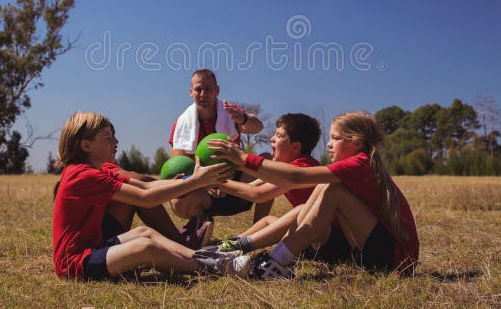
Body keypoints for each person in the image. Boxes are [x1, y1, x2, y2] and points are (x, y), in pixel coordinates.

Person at [209, 111, 419, 279]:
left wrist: (244, 159)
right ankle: (258, 255)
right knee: (315, 193)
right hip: (375, 252)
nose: (328, 144)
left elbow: (293, 179)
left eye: (335, 138)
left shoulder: (361, 162)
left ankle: (274, 260)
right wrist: (222, 179)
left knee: (331, 188)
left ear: (356, 142)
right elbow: (263, 184)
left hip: (394, 259)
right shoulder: (354, 165)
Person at [52, 111, 249, 281]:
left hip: (93, 248)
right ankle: (212, 268)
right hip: (75, 265)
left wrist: (191, 180)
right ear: (86, 146)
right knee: (145, 246)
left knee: (144, 232)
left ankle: (202, 256)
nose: (116, 142)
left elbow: (145, 186)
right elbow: (146, 198)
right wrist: (197, 181)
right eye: (108, 138)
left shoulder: (95, 171)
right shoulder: (82, 176)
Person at [168, 69, 267, 226]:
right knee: (177, 202)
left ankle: (261, 226)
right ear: (191, 92)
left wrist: (244, 118)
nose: (203, 94)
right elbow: (178, 169)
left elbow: (257, 127)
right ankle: (201, 226)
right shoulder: (182, 123)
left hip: (240, 186)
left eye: (208, 89)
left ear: (217, 90)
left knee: (268, 160)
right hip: (204, 191)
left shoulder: (230, 112)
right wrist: (203, 182)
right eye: (198, 89)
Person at [213, 113, 321, 253]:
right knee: (268, 220)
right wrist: (223, 185)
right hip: (309, 230)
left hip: (320, 238)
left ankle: (240, 246)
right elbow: (254, 185)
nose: (272, 139)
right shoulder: (285, 167)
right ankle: (226, 246)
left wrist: (214, 182)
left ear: (295, 147)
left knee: (301, 209)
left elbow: (259, 194)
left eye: (279, 135)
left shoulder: (302, 168)